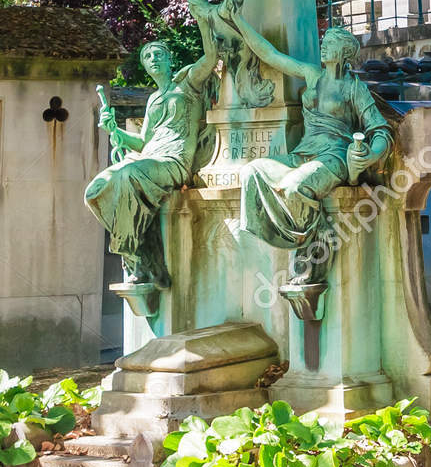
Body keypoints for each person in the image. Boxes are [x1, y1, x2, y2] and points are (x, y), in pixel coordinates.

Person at [230, 17, 392, 288]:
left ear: (345, 52)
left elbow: (381, 130)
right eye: (324, 42)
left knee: (294, 188)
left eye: (331, 43)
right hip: (304, 152)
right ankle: (300, 235)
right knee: (252, 171)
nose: (324, 46)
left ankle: (318, 239)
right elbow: (269, 54)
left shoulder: (354, 88)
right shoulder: (312, 74)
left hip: (334, 156)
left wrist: (371, 155)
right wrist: (238, 22)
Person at [86, 22, 221, 288]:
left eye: (158, 54)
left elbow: (211, 57)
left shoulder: (188, 84)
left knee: (127, 174)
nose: (153, 59)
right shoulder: (153, 99)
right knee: (95, 190)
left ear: (170, 60)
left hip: (174, 160)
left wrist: (203, 17)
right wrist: (114, 130)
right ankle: (142, 247)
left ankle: (134, 254)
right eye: (147, 57)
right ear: (145, 67)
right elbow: (143, 141)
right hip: (149, 158)